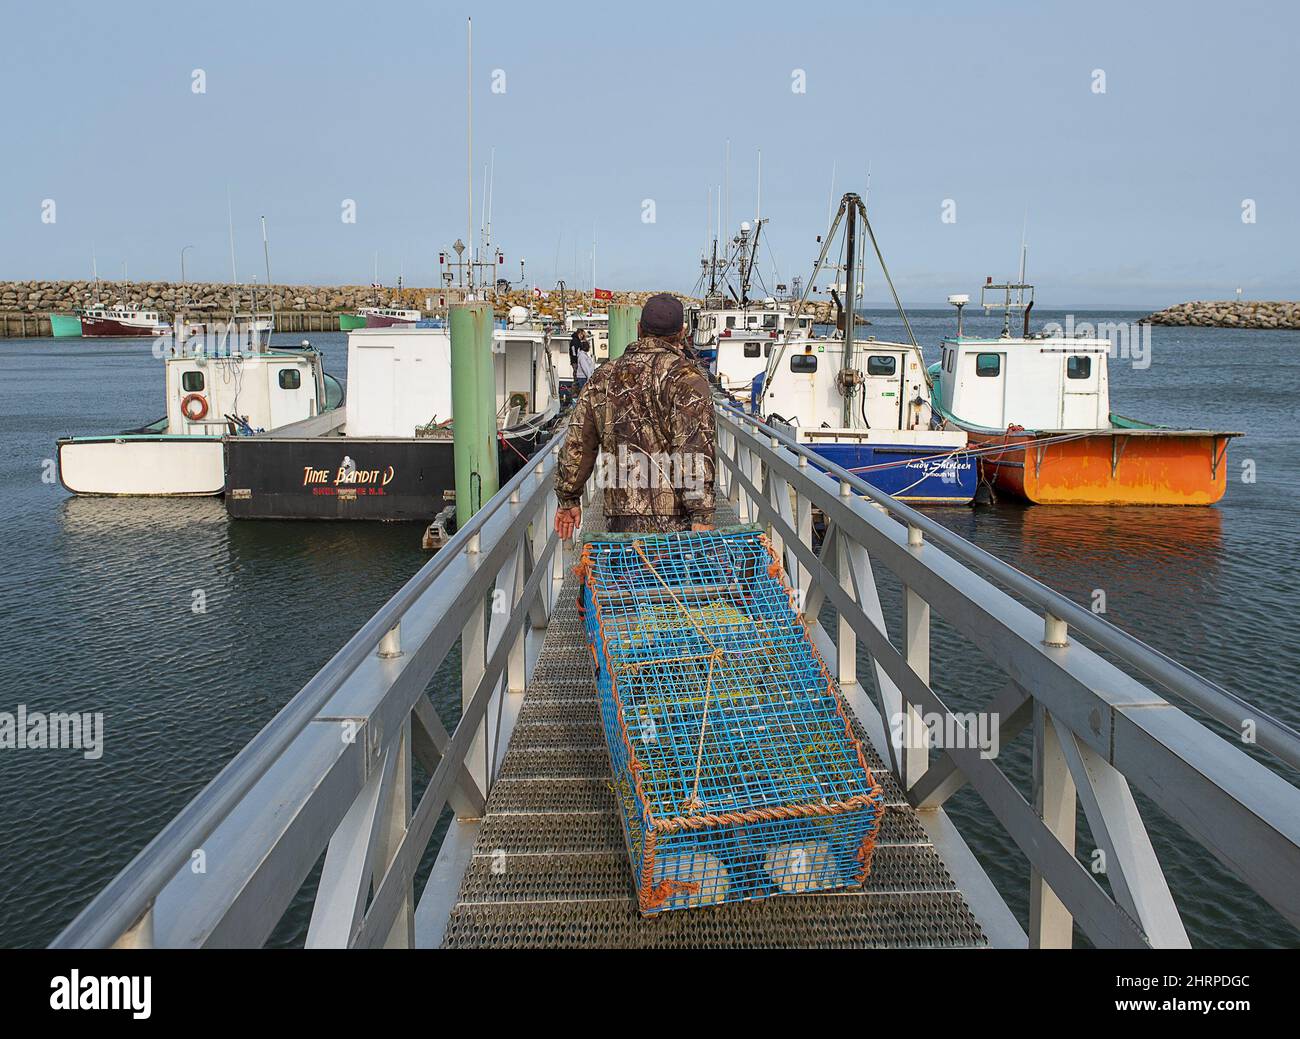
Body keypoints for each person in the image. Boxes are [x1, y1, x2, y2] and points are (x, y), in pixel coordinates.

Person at [554, 293, 715, 537]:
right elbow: (694, 449)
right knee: (669, 577)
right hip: (676, 524)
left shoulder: (603, 378)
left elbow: (578, 442)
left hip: (621, 518)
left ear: (639, 329)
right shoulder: (688, 380)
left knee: (626, 574)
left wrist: (568, 498)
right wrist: (701, 514)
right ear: (682, 333)